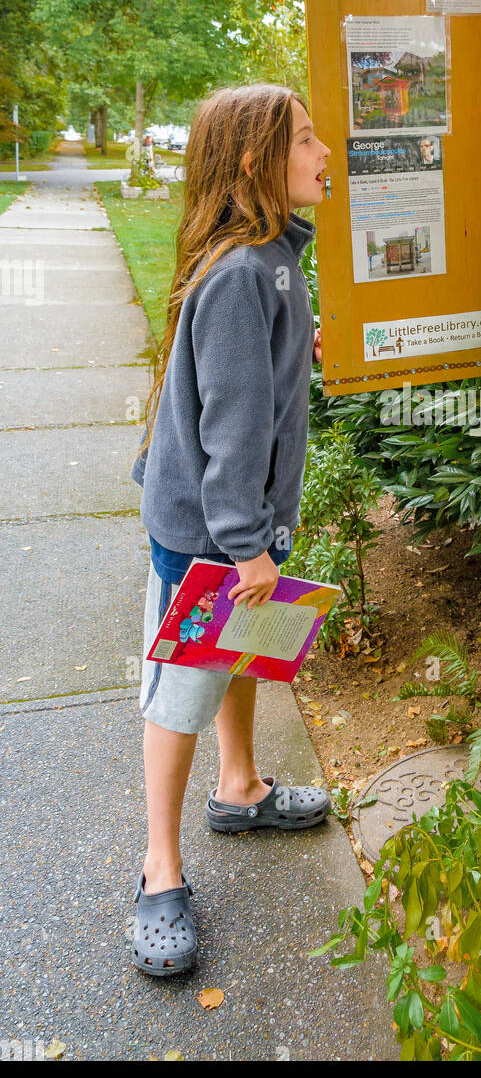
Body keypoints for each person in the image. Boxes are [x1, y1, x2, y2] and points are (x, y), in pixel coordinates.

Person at [129, 84, 332, 977]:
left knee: (238, 651)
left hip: (238, 524)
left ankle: (240, 786)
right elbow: (234, 428)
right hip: (213, 531)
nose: (325, 153)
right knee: (180, 692)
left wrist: (301, 339)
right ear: (256, 163)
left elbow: (243, 372)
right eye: (306, 139)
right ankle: (159, 870)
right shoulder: (246, 273)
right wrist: (245, 545)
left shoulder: (267, 258)